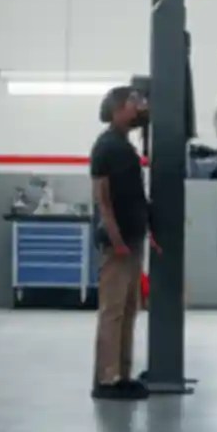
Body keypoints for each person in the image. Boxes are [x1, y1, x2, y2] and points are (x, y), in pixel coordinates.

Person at [90, 86, 160, 401]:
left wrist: (148, 232)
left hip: (132, 240)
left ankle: (123, 375)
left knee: (129, 309)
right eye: (134, 102)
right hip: (118, 243)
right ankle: (105, 380)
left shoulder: (125, 146)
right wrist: (117, 240)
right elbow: (103, 200)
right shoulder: (105, 146)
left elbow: (135, 197)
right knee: (113, 310)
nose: (139, 108)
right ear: (117, 108)